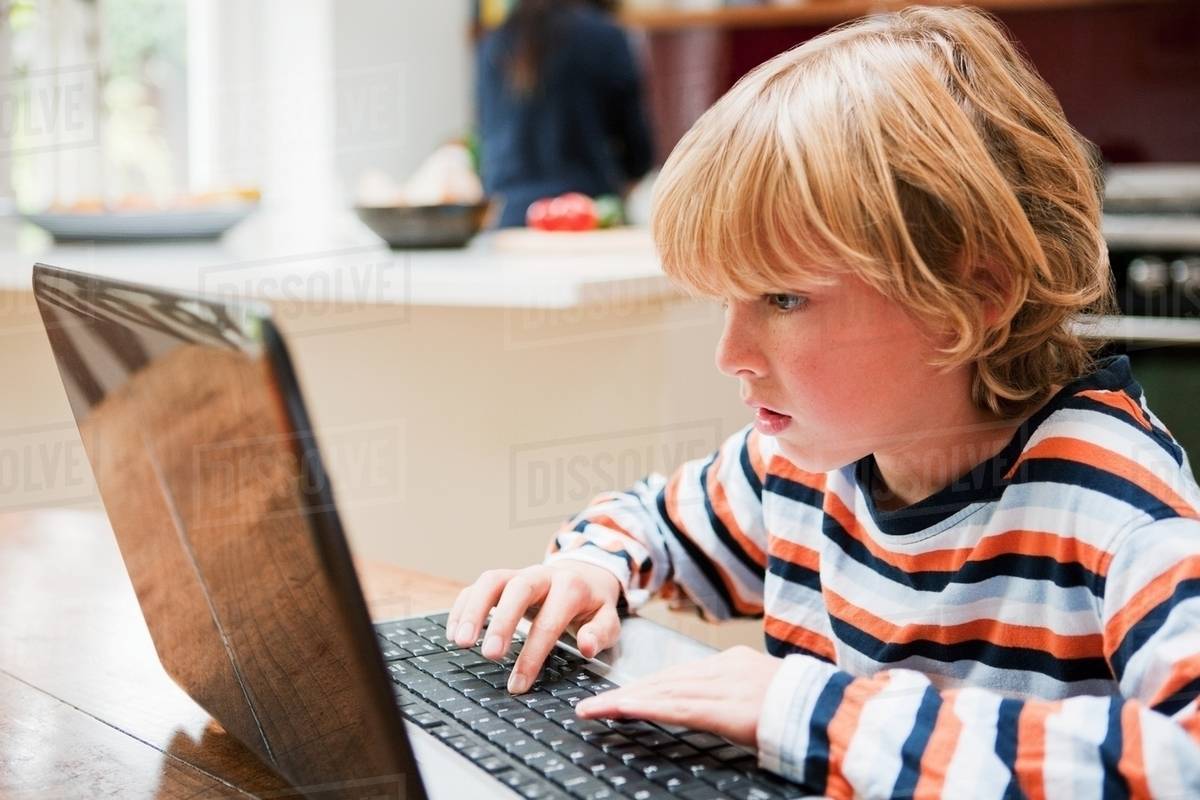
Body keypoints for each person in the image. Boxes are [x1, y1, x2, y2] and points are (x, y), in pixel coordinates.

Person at [450, 6, 1200, 796]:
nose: (729, 356)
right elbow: (652, 523)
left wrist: (813, 711)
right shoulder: (802, 465)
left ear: (972, 296)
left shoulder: (1115, 503)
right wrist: (591, 568)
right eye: (727, 303)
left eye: (782, 299)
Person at [476, 0, 654, 227]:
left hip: (506, 216)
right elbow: (638, 152)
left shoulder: (492, 43)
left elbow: (486, 140)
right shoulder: (604, 36)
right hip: (587, 212)